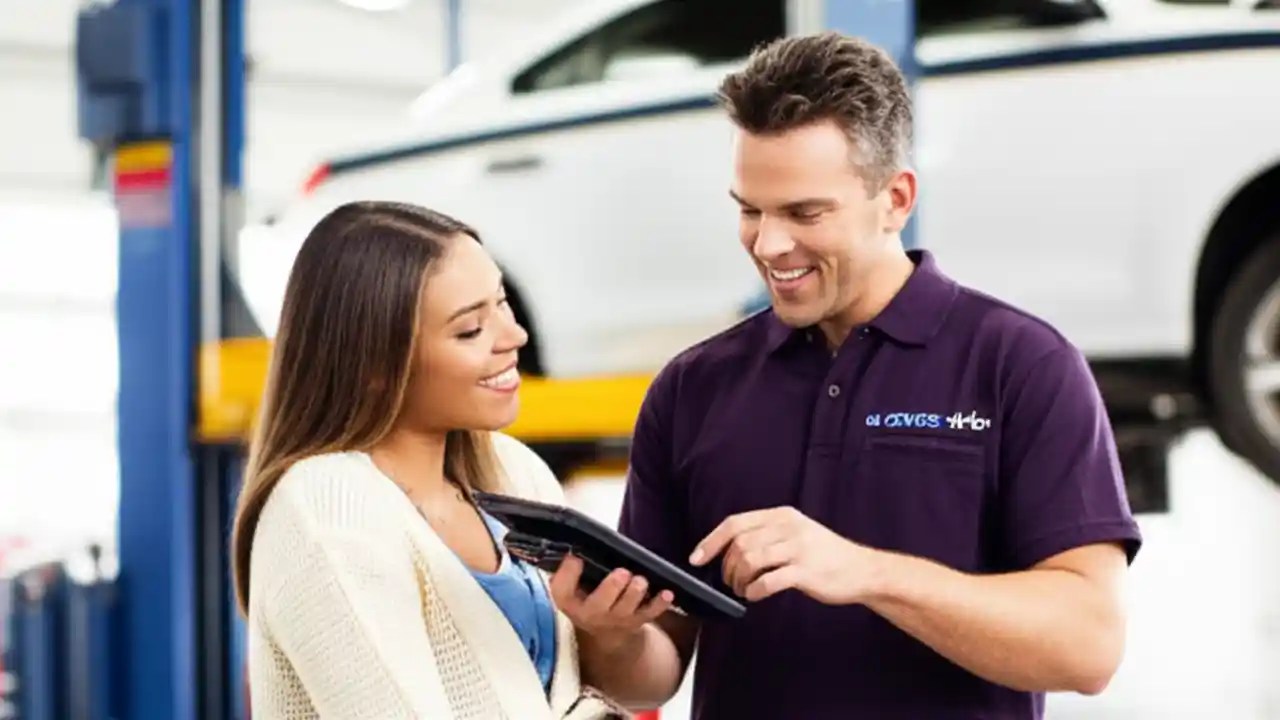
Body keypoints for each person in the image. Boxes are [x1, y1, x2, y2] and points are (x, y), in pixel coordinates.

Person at [547, 32, 1143, 719]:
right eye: (750, 209)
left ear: (896, 199)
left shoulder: (1022, 367)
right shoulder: (691, 389)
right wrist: (610, 633)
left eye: (804, 213)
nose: (769, 244)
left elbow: (1087, 648)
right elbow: (651, 675)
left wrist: (865, 572)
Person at [229, 201, 624, 719]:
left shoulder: (515, 471)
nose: (514, 338)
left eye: (502, 304)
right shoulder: (325, 504)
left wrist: (615, 630)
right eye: (469, 330)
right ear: (374, 365)